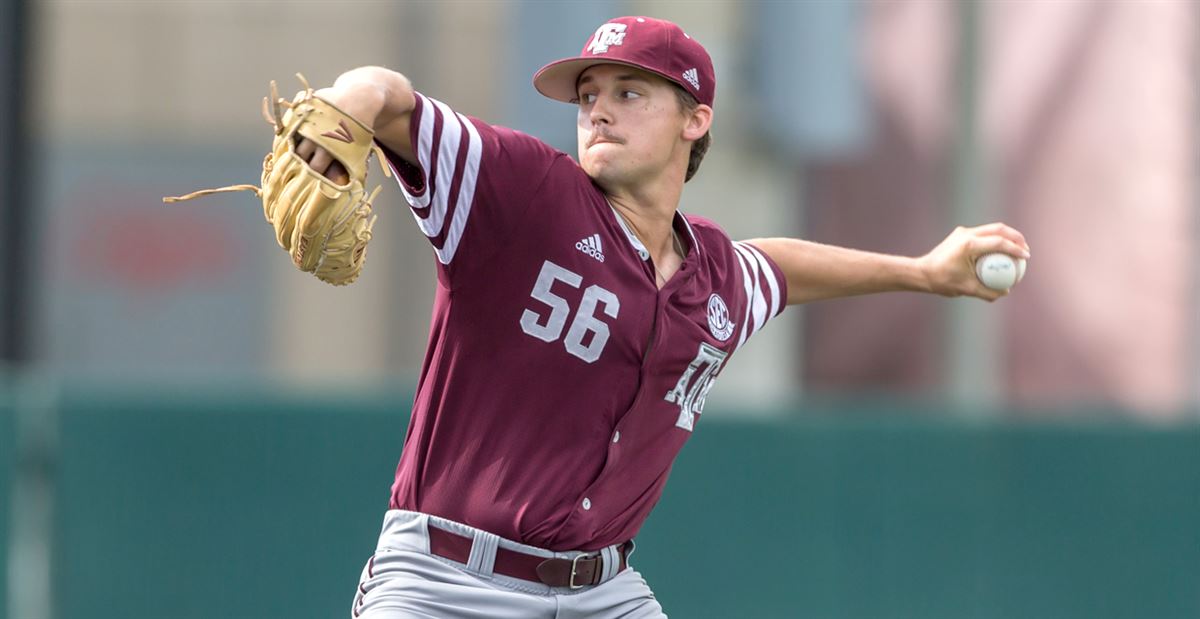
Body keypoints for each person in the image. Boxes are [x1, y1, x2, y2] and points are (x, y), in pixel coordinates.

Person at [297, 16, 1030, 619]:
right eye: (587, 96)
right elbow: (388, 96)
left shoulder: (713, 277)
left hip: (602, 593)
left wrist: (926, 273)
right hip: (448, 582)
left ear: (696, 118)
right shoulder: (519, 193)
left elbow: (782, 266)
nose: (599, 109)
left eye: (629, 91)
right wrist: (346, 109)